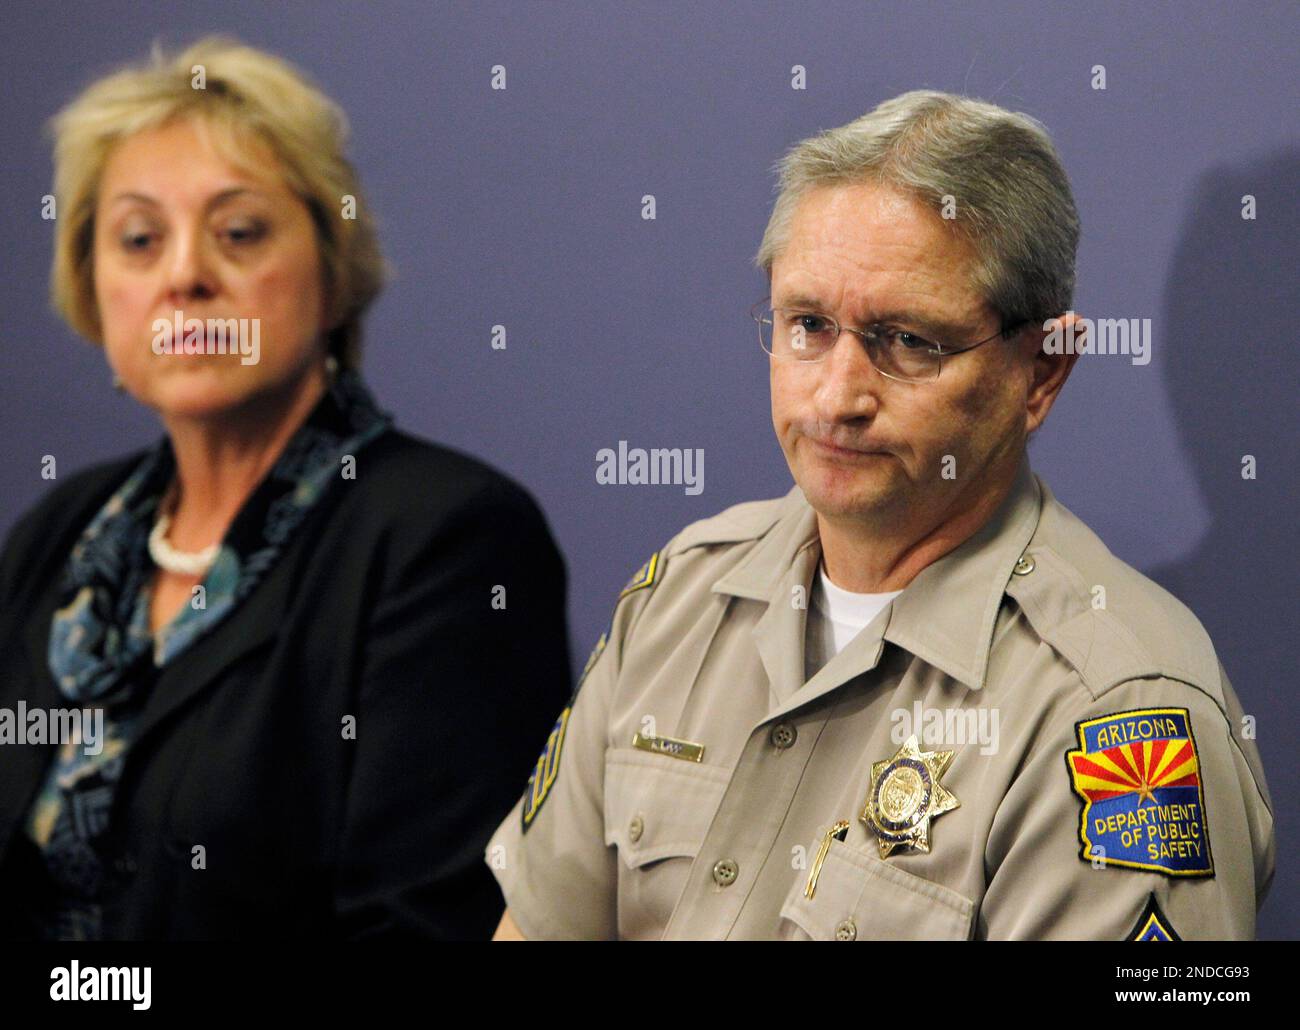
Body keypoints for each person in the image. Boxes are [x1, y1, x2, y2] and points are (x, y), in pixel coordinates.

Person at [485, 91, 1274, 940]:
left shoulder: (1121, 713)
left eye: (908, 341)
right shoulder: (681, 592)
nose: (838, 394)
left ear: (1041, 371)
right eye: (809, 325)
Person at [0, 36, 571, 940]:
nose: (183, 276)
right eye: (139, 239)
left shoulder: (447, 540)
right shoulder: (57, 538)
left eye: (238, 232)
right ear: (91, 288)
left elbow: (424, 929)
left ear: (333, 270)